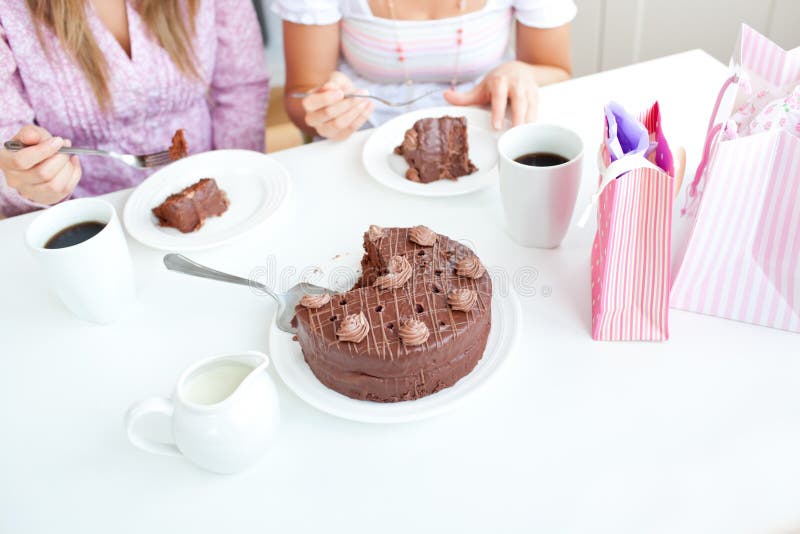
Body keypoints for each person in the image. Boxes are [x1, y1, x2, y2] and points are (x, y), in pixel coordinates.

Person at [0, 0, 269, 217]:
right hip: (89, 222)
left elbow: (242, 87)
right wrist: (30, 183)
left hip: (214, 196)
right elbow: (6, 149)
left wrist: (235, 181)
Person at [275, 0, 575, 140]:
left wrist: (522, 73)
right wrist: (324, 112)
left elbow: (557, 72)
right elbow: (300, 98)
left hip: (489, 136)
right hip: (359, 140)